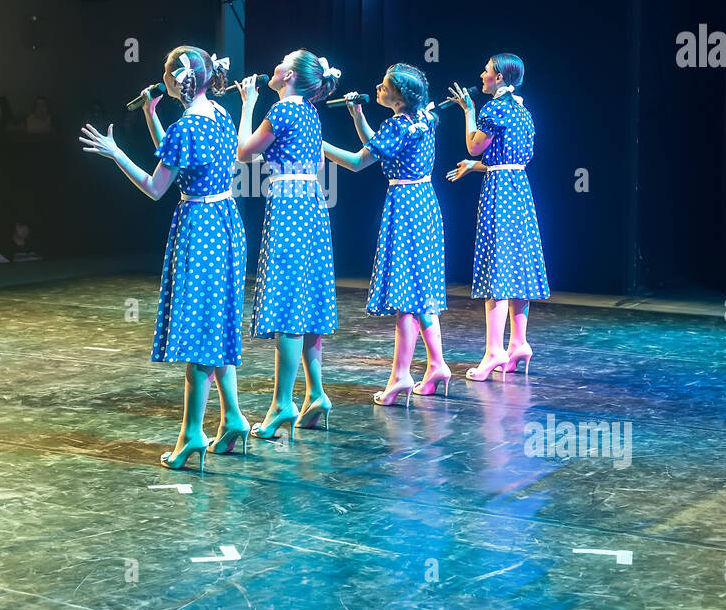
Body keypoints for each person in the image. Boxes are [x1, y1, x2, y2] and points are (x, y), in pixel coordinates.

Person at [82, 45, 251, 470]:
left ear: (180, 79)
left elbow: (157, 186)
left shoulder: (185, 127)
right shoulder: (219, 114)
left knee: (199, 334)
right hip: (226, 222)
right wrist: (150, 114)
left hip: (200, 227)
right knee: (217, 327)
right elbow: (176, 158)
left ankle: (192, 434)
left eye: (168, 73)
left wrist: (116, 152)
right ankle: (232, 418)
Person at [323, 63, 450, 405]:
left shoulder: (399, 124)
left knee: (406, 296)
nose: (378, 87)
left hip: (406, 206)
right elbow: (380, 147)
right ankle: (437, 364)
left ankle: (400, 376)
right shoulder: (420, 119)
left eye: (384, 85)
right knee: (420, 289)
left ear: (399, 96)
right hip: (423, 203)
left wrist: (317, 143)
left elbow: (355, 162)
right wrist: (357, 115)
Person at [234, 49, 340, 437]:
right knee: (305, 303)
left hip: (291, 207)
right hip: (310, 205)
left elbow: (244, 154)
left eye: (281, 62)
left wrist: (248, 104)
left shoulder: (283, 111)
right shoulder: (308, 112)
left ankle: (282, 404)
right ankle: (315, 393)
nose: (274, 66)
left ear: (290, 75)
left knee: (289, 306)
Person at [446, 53, 549, 378]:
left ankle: (494, 351)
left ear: (500, 78)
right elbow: (513, 157)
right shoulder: (523, 110)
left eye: (487, 71)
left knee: (498, 267)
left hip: (500, 192)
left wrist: (468, 111)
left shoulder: (495, 108)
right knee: (517, 264)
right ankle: (519, 343)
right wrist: (476, 167)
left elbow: (474, 145)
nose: (482, 75)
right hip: (518, 187)